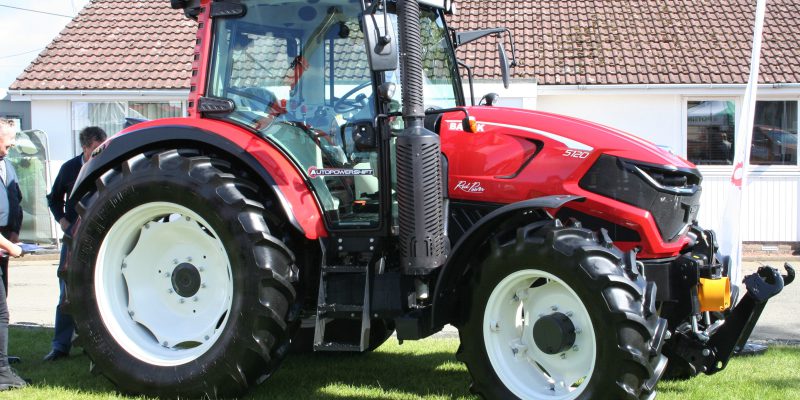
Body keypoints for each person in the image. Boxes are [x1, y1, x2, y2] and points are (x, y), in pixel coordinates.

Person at [44, 126, 107, 361]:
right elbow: (53, 198)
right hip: (72, 237)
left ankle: (94, 344)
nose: (99, 152)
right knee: (67, 291)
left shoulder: (105, 166)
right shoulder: (70, 168)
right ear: (85, 147)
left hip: (98, 236)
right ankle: (60, 346)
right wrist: (62, 220)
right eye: (95, 149)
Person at [0, 119, 27, 390]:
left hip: (5, 243)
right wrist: (12, 248)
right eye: (9, 139)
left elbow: (15, 200)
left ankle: (2, 360)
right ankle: (2, 372)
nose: (13, 144)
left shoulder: (6, 165)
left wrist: (14, 234)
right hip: (4, 246)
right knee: (1, 312)